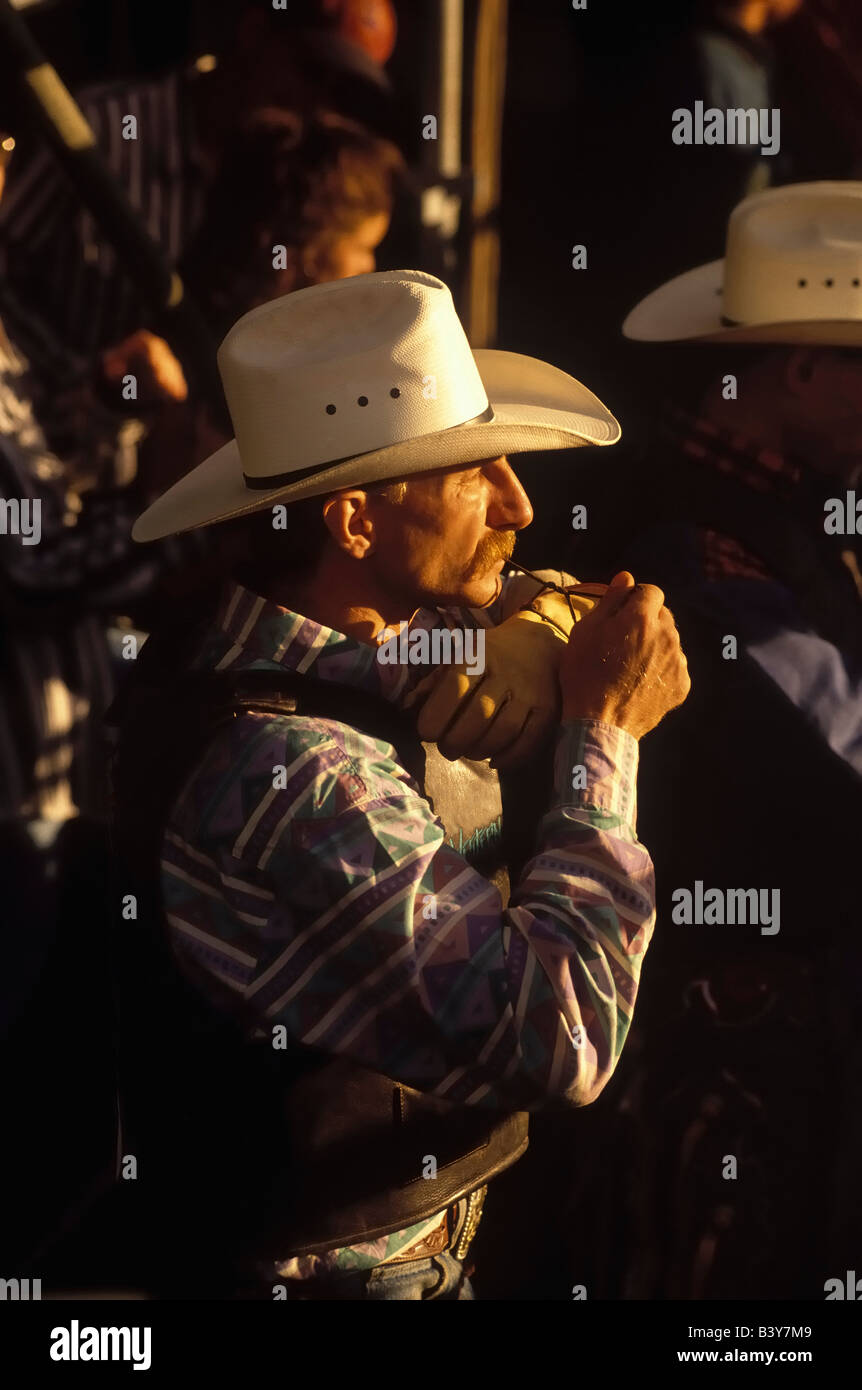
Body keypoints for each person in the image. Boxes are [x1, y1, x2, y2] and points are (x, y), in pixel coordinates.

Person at [108, 269, 690, 1300]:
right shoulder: (300, 778)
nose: (520, 501)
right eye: (473, 472)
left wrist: (535, 628)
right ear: (354, 524)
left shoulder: (329, 637)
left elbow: (555, 587)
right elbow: (561, 1038)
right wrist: (602, 731)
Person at [609, 179, 862, 1298]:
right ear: (802, 369)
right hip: (737, 1022)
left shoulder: (773, 509)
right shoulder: (703, 553)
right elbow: (840, 756)